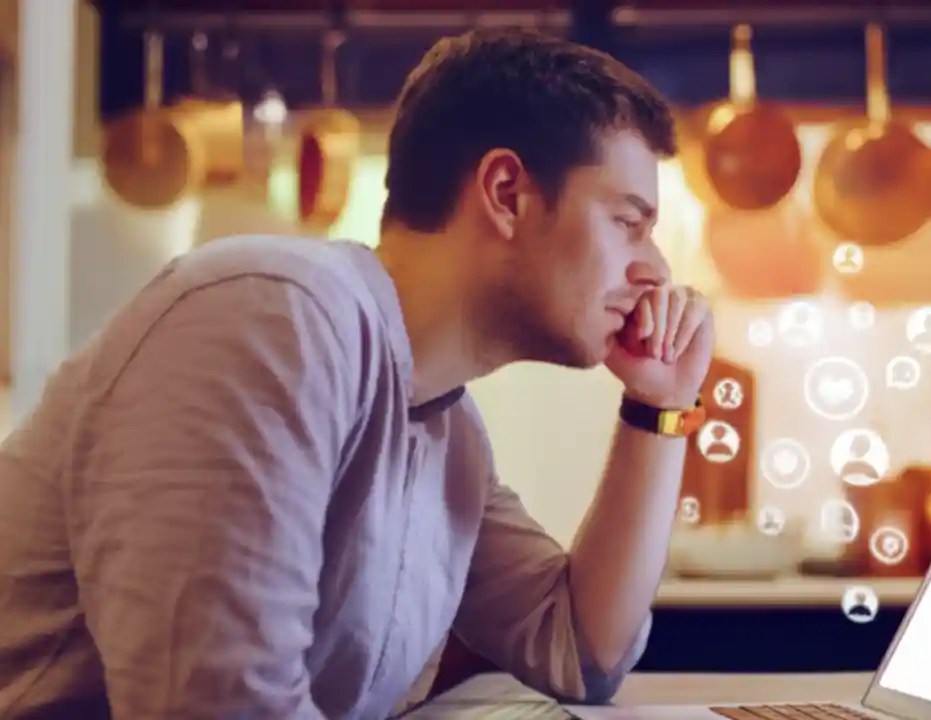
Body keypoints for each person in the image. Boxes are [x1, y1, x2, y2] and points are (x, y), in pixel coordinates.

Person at [0, 28, 714, 720]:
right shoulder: (272, 315)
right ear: (505, 192)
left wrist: (660, 409)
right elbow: (218, 707)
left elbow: (580, 653)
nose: (654, 268)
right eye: (629, 221)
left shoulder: (445, 428)